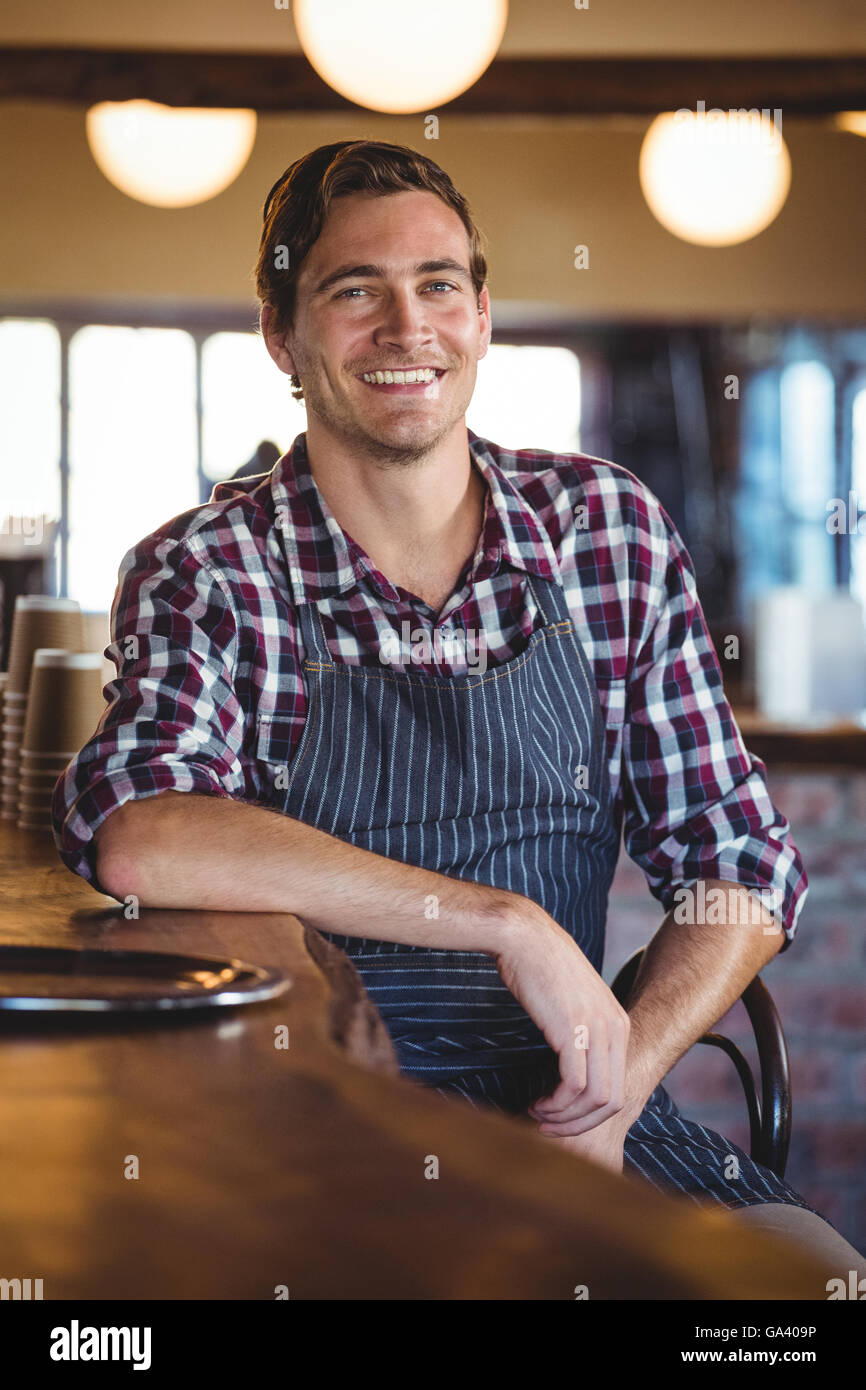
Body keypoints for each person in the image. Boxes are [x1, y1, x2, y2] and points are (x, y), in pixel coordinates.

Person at [52, 139, 864, 1284]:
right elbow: (140, 828)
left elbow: (737, 864)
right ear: (281, 335)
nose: (406, 326)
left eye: (437, 284)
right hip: (323, 1127)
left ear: (481, 315)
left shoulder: (605, 533)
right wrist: (503, 921)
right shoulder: (209, 569)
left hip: (581, 1116)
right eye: (353, 291)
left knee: (811, 1299)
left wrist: (618, 1082)